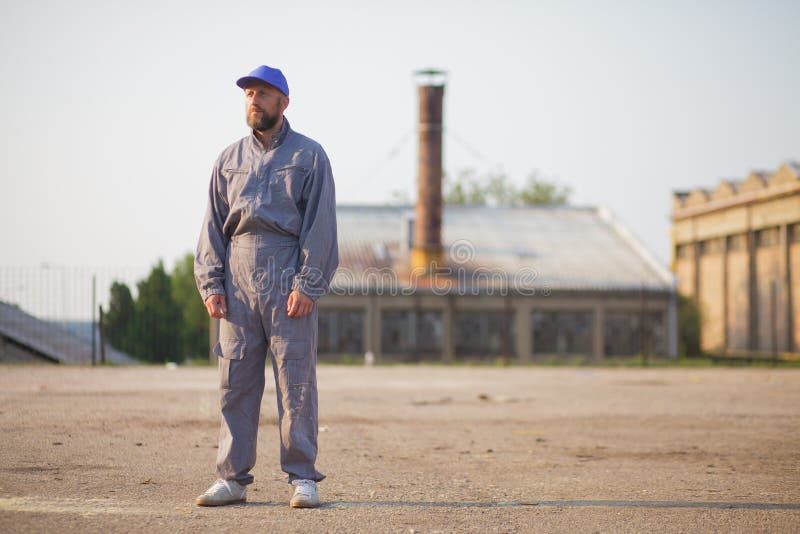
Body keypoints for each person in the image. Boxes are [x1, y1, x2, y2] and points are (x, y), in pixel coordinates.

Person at [193, 65, 338, 509]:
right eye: (249, 93)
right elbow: (213, 227)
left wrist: (307, 284)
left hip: (286, 272)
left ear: (284, 102)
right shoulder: (228, 160)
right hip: (236, 278)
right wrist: (211, 282)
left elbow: (320, 227)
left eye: (263, 93)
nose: (253, 100)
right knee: (234, 380)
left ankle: (301, 477)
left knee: (295, 379)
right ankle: (231, 478)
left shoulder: (310, 156)